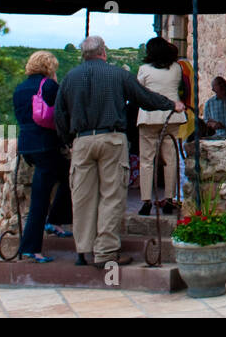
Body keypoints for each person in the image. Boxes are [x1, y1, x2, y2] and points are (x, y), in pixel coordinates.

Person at [55, 35, 183, 269]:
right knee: (111, 196)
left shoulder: (69, 78)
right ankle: (105, 252)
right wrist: (171, 104)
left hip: (82, 140)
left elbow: (59, 115)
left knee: (82, 197)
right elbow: (144, 98)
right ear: (103, 52)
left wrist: (69, 141)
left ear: (83, 54)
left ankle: (83, 251)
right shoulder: (117, 74)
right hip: (111, 138)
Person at [11, 52, 73, 263]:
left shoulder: (20, 88)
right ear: (50, 67)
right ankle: (32, 247)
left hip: (27, 146)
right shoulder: (49, 86)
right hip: (46, 145)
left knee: (65, 175)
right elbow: (62, 115)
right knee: (41, 197)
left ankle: (55, 221)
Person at [135, 37, 188, 215]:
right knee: (170, 159)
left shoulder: (144, 69)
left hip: (149, 116)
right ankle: (170, 198)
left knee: (147, 160)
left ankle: (146, 200)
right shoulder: (176, 68)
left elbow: (139, 92)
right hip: (172, 115)